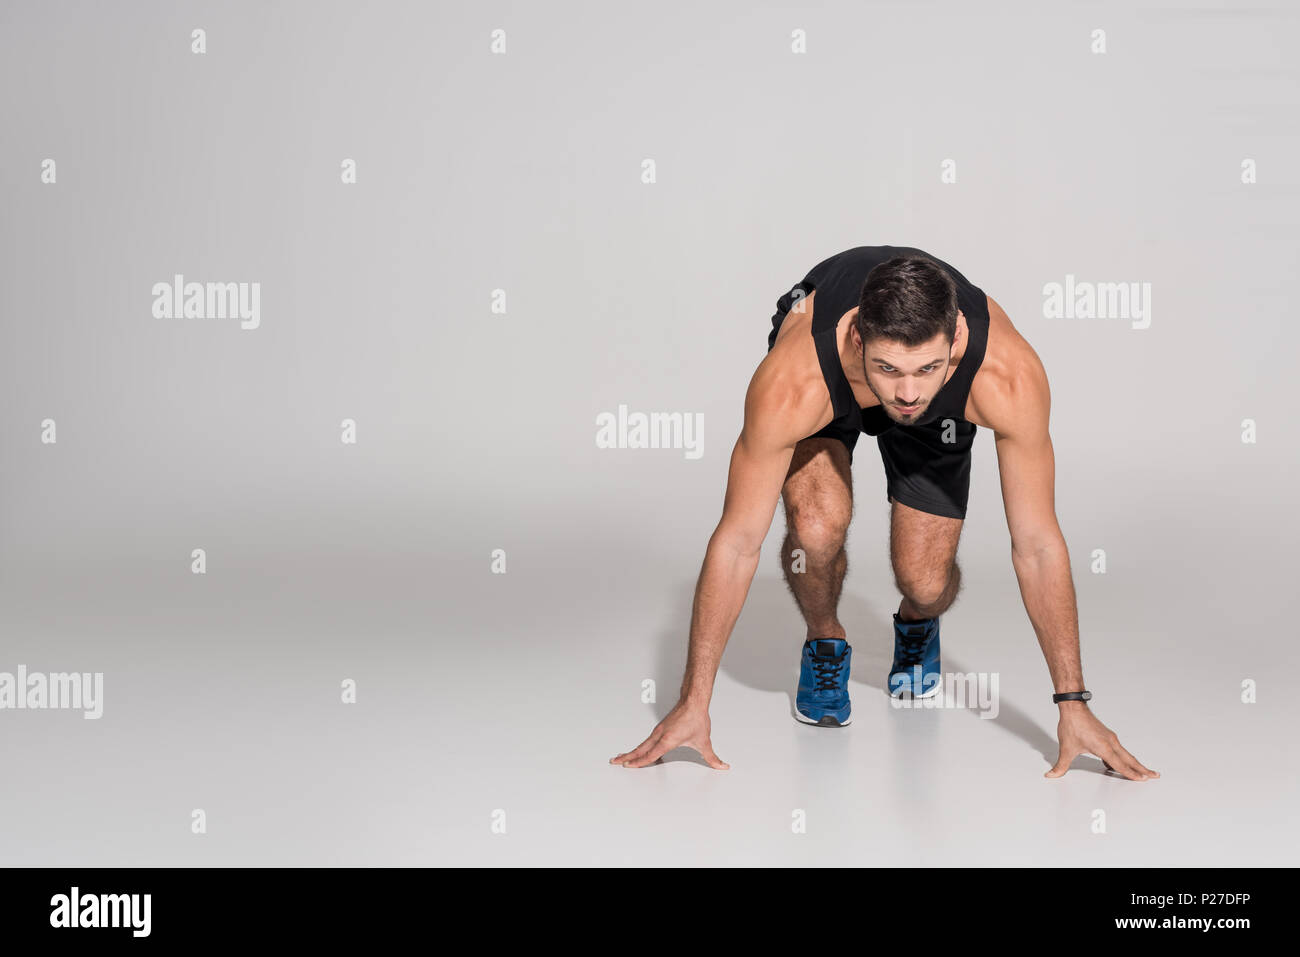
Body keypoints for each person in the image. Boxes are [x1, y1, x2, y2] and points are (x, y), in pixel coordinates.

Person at [609, 245, 1158, 781]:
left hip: (941, 406)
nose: (908, 394)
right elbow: (736, 542)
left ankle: (918, 623)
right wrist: (692, 702)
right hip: (832, 388)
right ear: (856, 337)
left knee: (924, 580)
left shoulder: (1006, 377)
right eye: (889, 368)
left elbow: (1037, 544)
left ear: (957, 340)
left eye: (927, 368)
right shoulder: (793, 383)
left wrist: (1073, 703)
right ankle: (825, 639)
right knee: (816, 528)